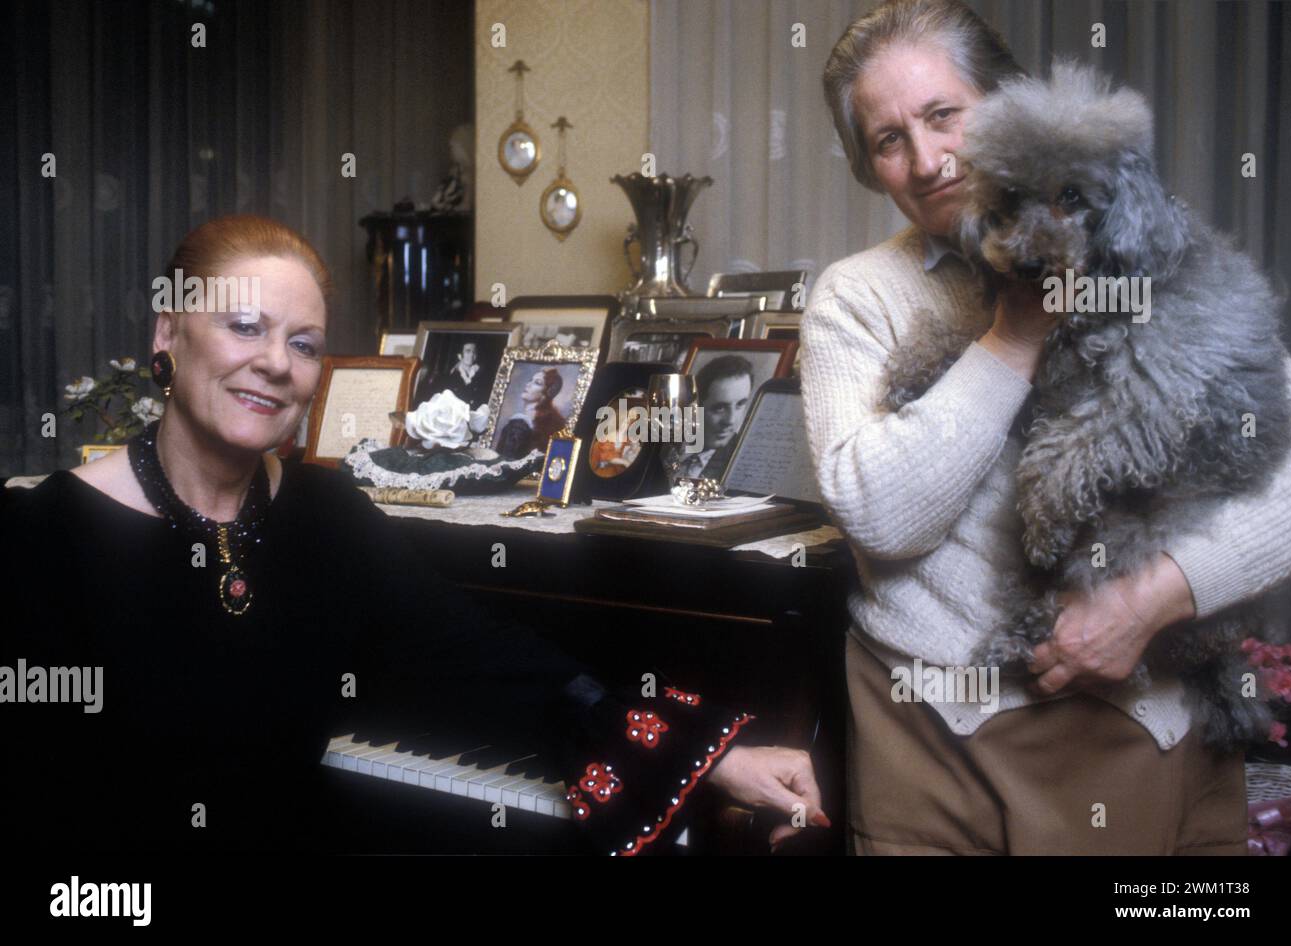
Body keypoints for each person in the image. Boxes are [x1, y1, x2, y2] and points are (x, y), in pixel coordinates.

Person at [0, 214, 826, 855]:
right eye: (243, 327)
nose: (276, 364)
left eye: (304, 344)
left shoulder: (326, 518)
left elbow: (487, 658)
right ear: (166, 335)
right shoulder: (43, 536)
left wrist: (712, 755)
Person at [803, 0, 1291, 854]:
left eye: (942, 116)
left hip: (1134, 723)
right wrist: (1016, 331)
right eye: (888, 140)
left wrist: (1151, 598)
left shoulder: (1143, 245)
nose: (926, 161)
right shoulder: (857, 298)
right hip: (925, 738)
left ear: (1005, 104)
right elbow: (884, 517)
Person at [677, 356, 753, 480]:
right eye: (720, 408)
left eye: (740, 405)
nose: (731, 420)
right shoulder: (667, 444)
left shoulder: (744, 462)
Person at [494, 367, 569, 460]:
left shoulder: (525, 424)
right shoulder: (523, 419)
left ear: (545, 394)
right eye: (530, 380)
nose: (528, 384)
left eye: (537, 383)